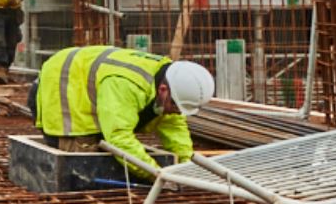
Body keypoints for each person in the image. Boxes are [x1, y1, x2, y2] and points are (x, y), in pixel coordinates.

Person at [31, 45, 212, 180]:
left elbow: (175, 131)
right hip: (60, 85)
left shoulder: (168, 84)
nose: (175, 113)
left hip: (89, 86)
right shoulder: (126, 85)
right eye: (175, 107)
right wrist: (155, 174)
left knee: (107, 149)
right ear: (163, 90)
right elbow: (118, 138)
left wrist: (186, 167)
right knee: (82, 158)